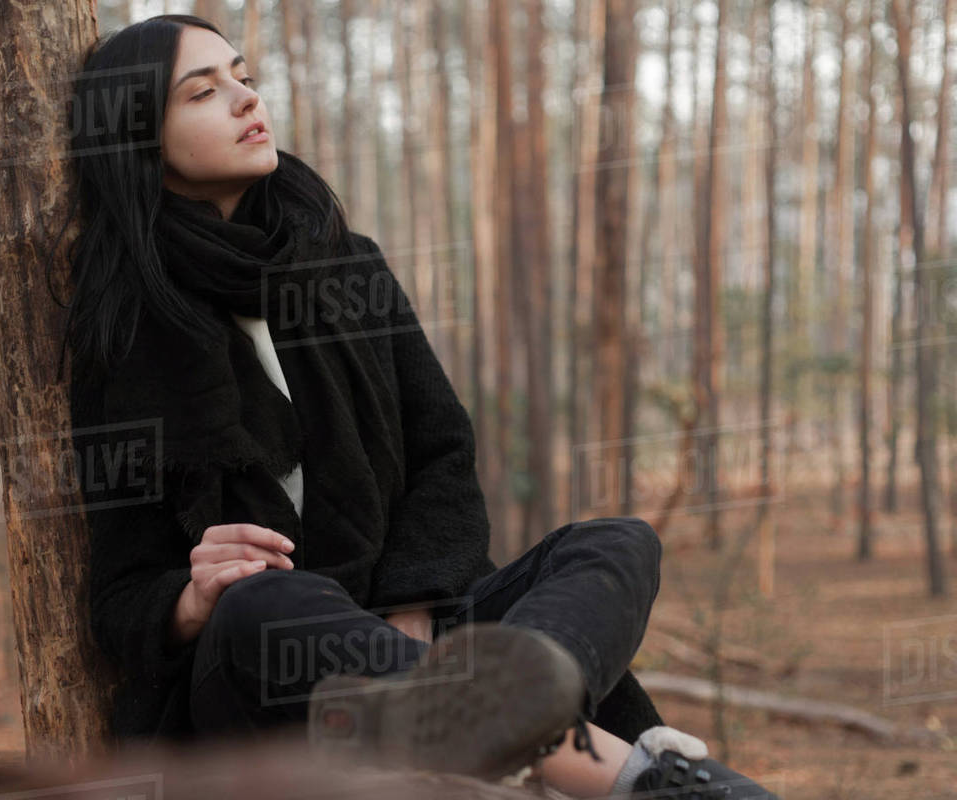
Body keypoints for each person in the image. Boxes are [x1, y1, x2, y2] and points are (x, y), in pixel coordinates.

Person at [56, 14, 780, 800]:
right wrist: (192, 600)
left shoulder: (343, 269)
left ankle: (478, 722)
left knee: (615, 544)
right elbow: (121, 598)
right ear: (140, 141)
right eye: (203, 92)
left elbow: (441, 446)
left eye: (243, 76)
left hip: (412, 646)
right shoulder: (125, 331)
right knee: (264, 603)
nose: (242, 98)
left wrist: (413, 599)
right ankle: (641, 779)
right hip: (268, 679)